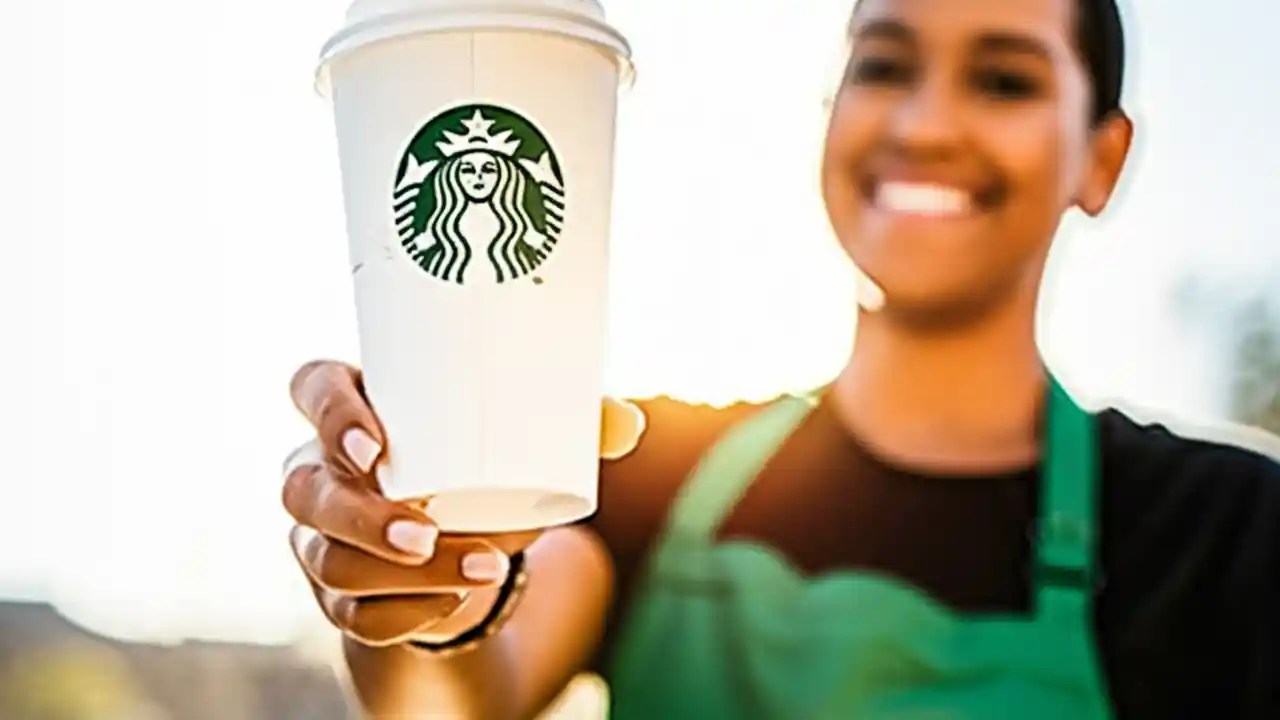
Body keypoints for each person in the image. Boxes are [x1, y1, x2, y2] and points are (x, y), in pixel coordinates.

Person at [281, 0, 1280, 717]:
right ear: (828, 110)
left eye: (1002, 79)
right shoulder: (638, 461)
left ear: (1099, 158)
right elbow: (452, 707)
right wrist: (427, 586)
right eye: (882, 64)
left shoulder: (1231, 534)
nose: (923, 122)